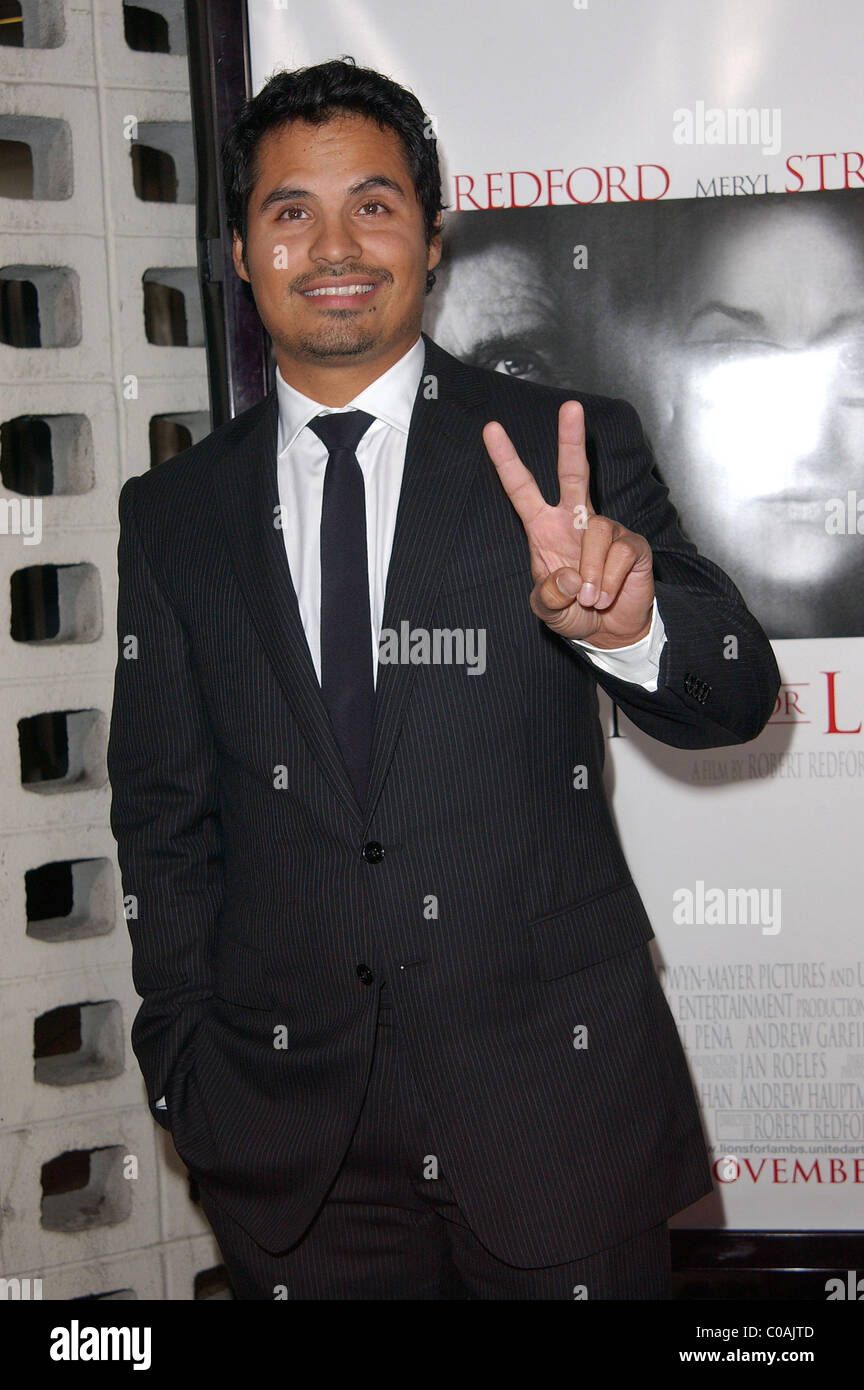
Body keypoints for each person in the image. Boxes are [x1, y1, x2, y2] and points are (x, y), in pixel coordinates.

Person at [107, 57, 780, 1301]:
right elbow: (161, 817)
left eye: (373, 203)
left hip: (556, 1113)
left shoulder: (563, 450)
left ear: (430, 237)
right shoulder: (173, 516)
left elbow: (736, 691)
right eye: (288, 212)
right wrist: (185, 1063)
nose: (333, 245)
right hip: (291, 1147)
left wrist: (632, 628)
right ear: (245, 255)